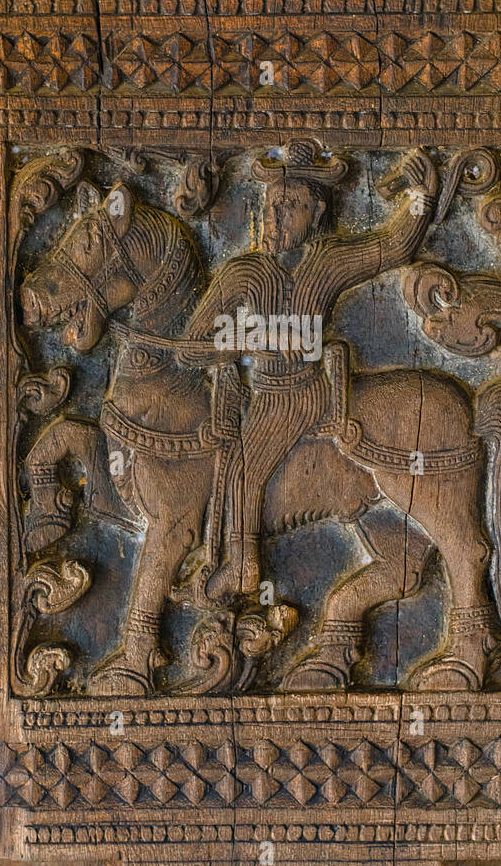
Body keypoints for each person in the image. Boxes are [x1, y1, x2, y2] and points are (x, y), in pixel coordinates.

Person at [184, 136, 439, 600]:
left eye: (291, 207)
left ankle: (243, 567)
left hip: (302, 390)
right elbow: (192, 346)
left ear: (317, 214)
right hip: (258, 389)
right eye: (272, 205)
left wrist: (421, 197)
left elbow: (393, 248)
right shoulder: (243, 273)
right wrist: (260, 338)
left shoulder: (328, 262)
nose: (276, 217)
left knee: (244, 466)